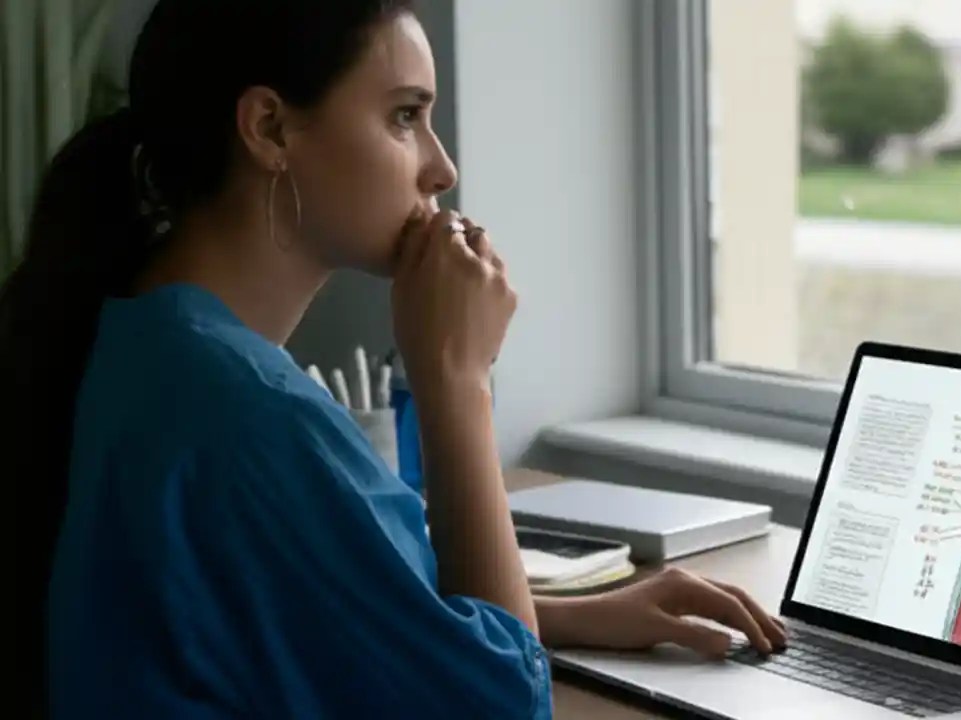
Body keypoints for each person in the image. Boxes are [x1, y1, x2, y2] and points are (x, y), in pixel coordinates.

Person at [0, 1, 786, 717]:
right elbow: (505, 710)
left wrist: (569, 615)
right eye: (405, 116)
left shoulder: (147, 336)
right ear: (270, 128)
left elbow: (308, 605)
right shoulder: (247, 417)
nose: (441, 169)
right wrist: (458, 382)